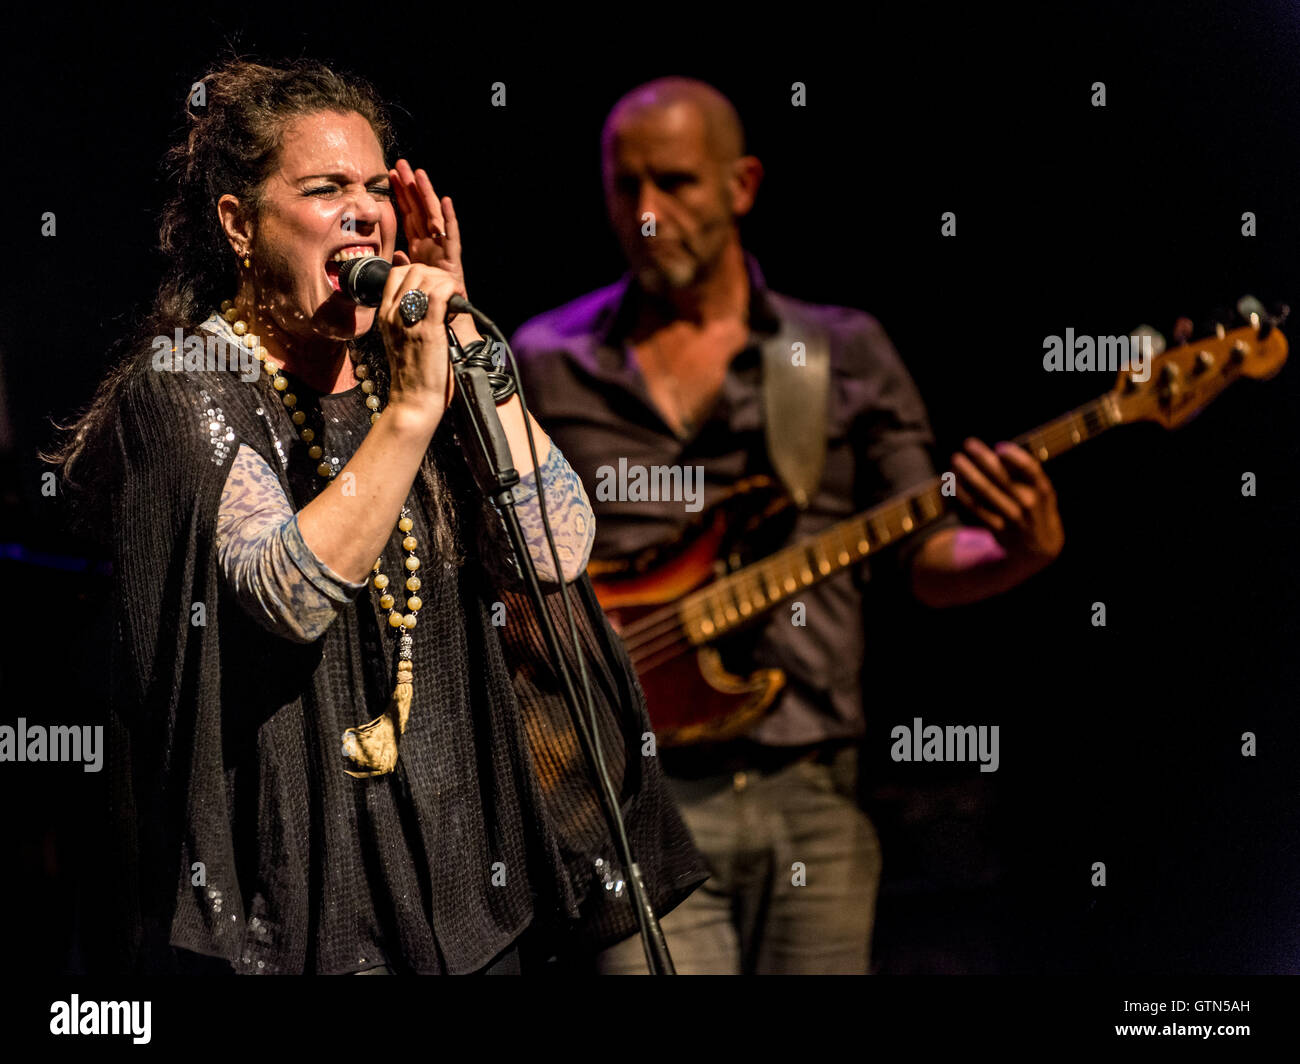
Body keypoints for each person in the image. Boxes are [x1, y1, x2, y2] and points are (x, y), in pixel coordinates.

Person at [43, 59, 705, 975]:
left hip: (466, 887)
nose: (364, 212)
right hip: (302, 906)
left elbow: (555, 552)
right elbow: (287, 594)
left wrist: (463, 337)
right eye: (324, 189)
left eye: (374, 189)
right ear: (238, 224)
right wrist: (410, 415)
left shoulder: (417, 367)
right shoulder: (187, 384)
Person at [511, 77, 1066, 974]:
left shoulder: (843, 351)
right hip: (625, 799)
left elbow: (927, 559)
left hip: (812, 789)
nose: (648, 214)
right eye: (627, 186)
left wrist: (1020, 551)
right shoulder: (543, 360)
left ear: (742, 186)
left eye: (679, 184)